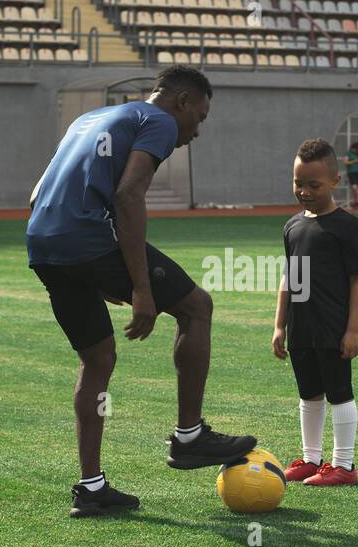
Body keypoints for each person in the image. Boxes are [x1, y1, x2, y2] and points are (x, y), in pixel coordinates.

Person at [26, 65, 257, 517]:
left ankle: (90, 487)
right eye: (200, 119)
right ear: (183, 101)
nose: (195, 132)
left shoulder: (87, 120)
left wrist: (95, 271)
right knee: (196, 307)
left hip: (43, 243)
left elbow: (37, 196)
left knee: (97, 358)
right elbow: (129, 195)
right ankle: (189, 436)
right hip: (87, 238)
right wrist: (140, 287)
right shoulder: (160, 121)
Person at [271, 138, 358, 487]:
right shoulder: (293, 226)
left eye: (314, 185)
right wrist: (279, 325)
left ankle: (344, 465)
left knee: (339, 391)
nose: (304, 191)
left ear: (335, 182)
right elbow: (289, 278)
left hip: (332, 327)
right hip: (302, 328)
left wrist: (353, 330)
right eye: (298, 183)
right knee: (308, 392)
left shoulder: (347, 226)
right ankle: (312, 459)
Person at [342, 141, 358, 210]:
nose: (356, 150)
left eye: (357, 149)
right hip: (351, 172)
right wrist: (354, 161)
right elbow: (345, 162)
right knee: (354, 187)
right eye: (355, 149)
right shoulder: (348, 154)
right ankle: (355, 202)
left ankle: (356, 202)